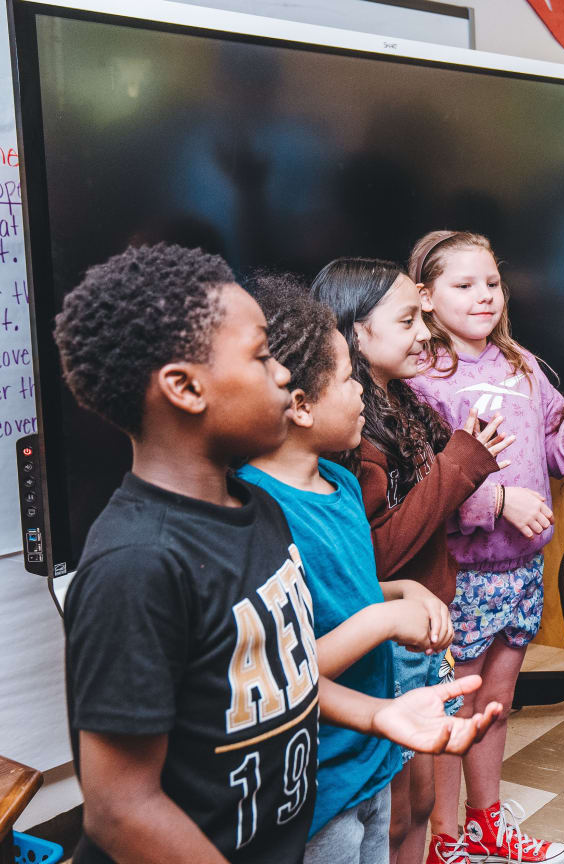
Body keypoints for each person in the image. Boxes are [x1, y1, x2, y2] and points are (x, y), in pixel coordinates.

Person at [56, 244, 500, 864]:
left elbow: (284, 672)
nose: (286, 376)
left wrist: (379, 716)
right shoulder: (135, 565)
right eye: (261, 357)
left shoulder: (257, 511)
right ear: (185, 388)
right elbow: (121, 810)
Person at [406, 230, 564, 864]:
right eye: (464, 285)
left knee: (496, 704)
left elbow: (550, 445)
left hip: (520, 568)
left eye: (492, 283)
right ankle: (445, 840)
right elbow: (422, 483)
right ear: (425, 296)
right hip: (458, 574)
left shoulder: (519, 362)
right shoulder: (421, 376)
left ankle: (486, 823)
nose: (484, 296)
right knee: (456, 708)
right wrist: (496, 502)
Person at [237, 273, 464, 864]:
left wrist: (400, 588)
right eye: (346, 379)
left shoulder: (339, 482)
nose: (361, 390)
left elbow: (342, 592)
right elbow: (284, 665)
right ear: (300, 405)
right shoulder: (256, 511)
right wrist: (385, 620)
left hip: (370, 751)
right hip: (318, 778)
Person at [312, 258, 509, 864]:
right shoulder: (354, 440)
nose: (425, 333)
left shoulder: (401, 403)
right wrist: (461, 464)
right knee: (395, 809)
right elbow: (381, 553)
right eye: (407, 321)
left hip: (421, 632)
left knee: (419, 801)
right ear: (355, 332)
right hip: (388, 640)